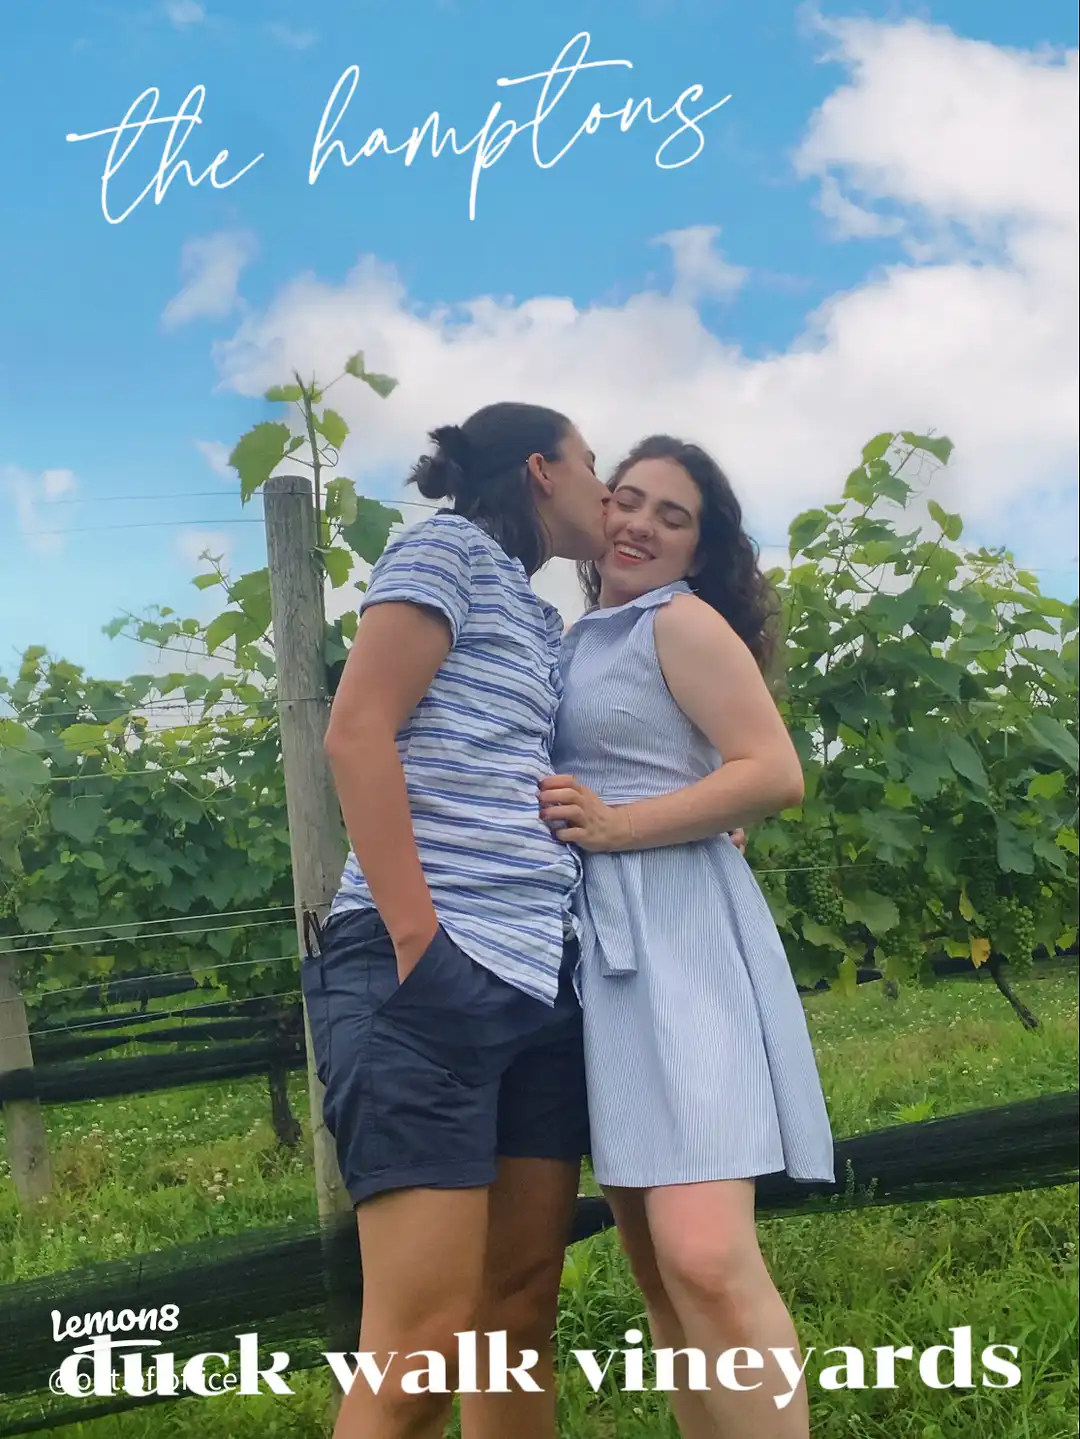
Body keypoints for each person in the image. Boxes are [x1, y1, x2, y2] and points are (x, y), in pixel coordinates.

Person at [302, 401, 610, 1439]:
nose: (603, 487)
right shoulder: (447, 549)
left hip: (535, 982)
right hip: (430, 975)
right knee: (423, 1347)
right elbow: (357, 731)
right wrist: (416, 941)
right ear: (539, 470)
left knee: (517, 1312)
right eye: (593, 464)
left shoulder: (538, 619)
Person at [541, 434, 835, 1439]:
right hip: (606, 968)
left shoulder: (683, 620)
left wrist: (625, 823)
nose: (640, 524)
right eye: (627, 499)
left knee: (706, 1255)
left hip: (685, 943)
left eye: (673, 515)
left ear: (699, 551)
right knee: (665, 1284)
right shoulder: (576, 638)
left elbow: (772, 770)